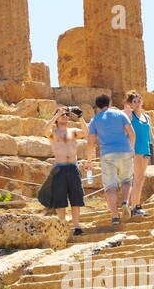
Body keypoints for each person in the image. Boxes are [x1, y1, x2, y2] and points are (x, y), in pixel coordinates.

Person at [86, 94, 136, 225]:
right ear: (110, 102)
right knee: (127, 180)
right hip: (124, 150)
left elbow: (90, 142)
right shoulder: (120, 115)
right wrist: (131, 149)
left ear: (97, 106)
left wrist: (89, 160)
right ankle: (125, 202)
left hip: (107, 154)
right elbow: (131, 133)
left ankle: (114, 216)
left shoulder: (94, 120)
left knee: (110, 187)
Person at [42, 106, 89, 235]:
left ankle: (76, 227)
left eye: (67, 114)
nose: (65, 116)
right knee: (60, 200)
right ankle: (62, 226)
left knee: (76, 198)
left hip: (73, 167)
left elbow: (86, 132)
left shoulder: (73, 131)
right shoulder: (53, 132)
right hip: (60, 169)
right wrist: (56, 115)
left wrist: (80, 117)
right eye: (62, 114)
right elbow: (44, 130)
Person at [125, 91, 154, 216]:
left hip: (146, 150)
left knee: (141, 179)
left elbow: (151, 135)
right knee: (137, 179)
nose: (137, 104)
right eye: (134, 102)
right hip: (135, 151)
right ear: (131, 104)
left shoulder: (147, 117)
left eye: (138, 101)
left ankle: (136, 206)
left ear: (142, 101)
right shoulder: (130, 116)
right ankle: (133, 207)